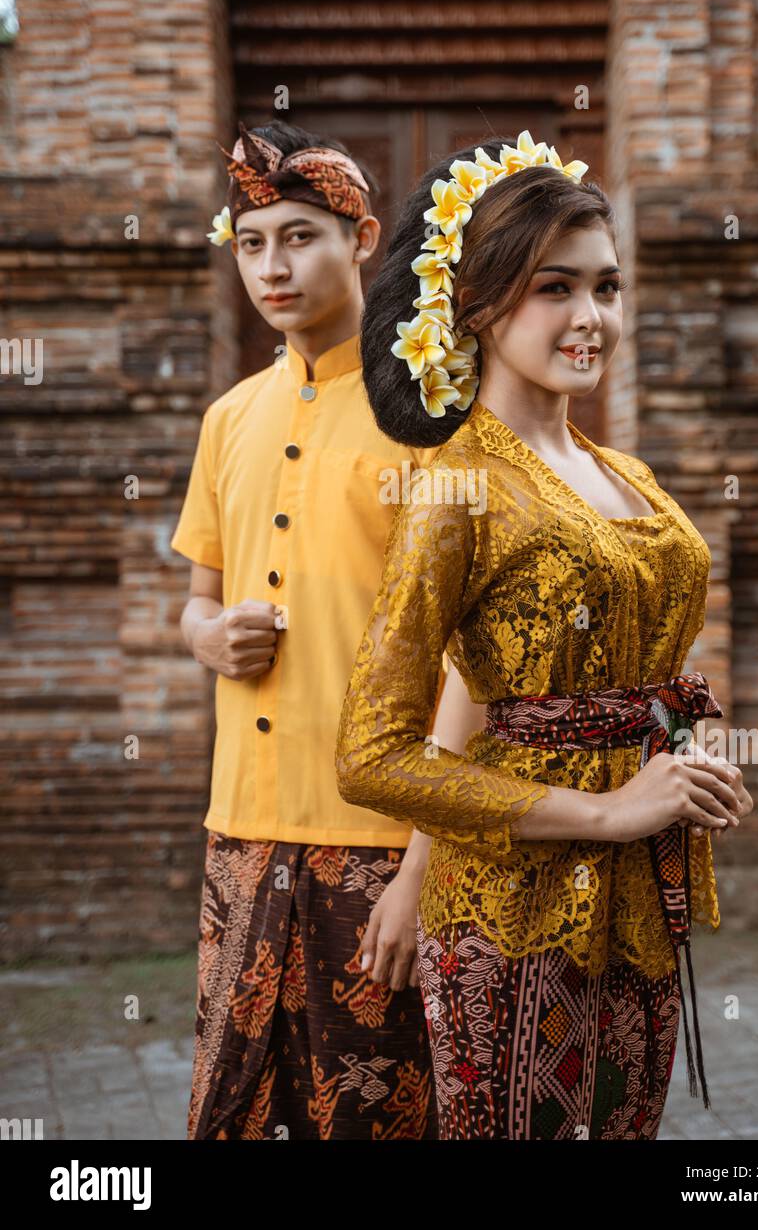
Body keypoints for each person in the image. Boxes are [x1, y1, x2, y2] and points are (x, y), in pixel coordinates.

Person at [335, 130, 754, 1140]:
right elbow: (371, 753)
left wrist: (684, 763)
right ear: (475, 306)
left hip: (636, 905)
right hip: (510, 917)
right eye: (552, 287)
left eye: (605, 288)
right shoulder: (458, 488)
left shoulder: (628, 476)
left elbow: (609, 675)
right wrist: (606, 810)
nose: (589, 317)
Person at [171, 118, 476, 1140]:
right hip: (242, 833)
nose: (272, 265)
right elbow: (193, 602)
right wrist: (207, 636)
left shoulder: (429, 419)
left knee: (380, 1116)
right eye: (251, 243)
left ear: (361, 239)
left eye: (299, 236)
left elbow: (469, 663)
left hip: (379, 845)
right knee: (234, 1114)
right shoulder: (228, 418)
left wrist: (422, 872)